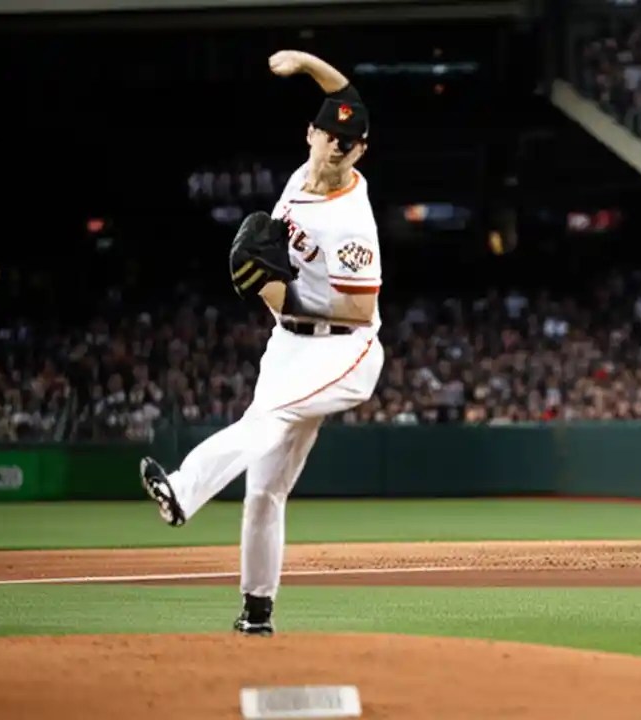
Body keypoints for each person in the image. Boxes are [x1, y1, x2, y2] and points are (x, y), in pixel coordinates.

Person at [140, 50, 385, 635]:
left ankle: (183, 488)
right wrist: (305, 63)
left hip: (343, 348)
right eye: (328, 134)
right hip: (290, 343)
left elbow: (361, 307)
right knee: (264, 489)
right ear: (311, 134)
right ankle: (257, 611)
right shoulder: (304, 176)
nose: (335, 146)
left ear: (359, 152)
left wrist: (283, 296)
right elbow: (346, 88)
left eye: (347, 142)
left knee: (268, 418)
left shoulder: (352, 220)